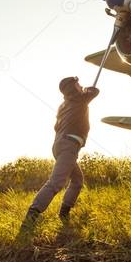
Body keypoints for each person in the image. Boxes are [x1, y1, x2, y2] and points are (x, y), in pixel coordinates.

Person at [20, 76, 99, 232]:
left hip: (60, 145)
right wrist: (88, 90)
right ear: (72, 87)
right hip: (68, 145)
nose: (81, 86)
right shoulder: (78, 98)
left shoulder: (65, 104)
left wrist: (85, 92)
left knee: (77, 180)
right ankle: (30, 219)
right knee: (56, 182)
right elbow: (94, 92)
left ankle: (64, 213)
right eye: (78, 84)